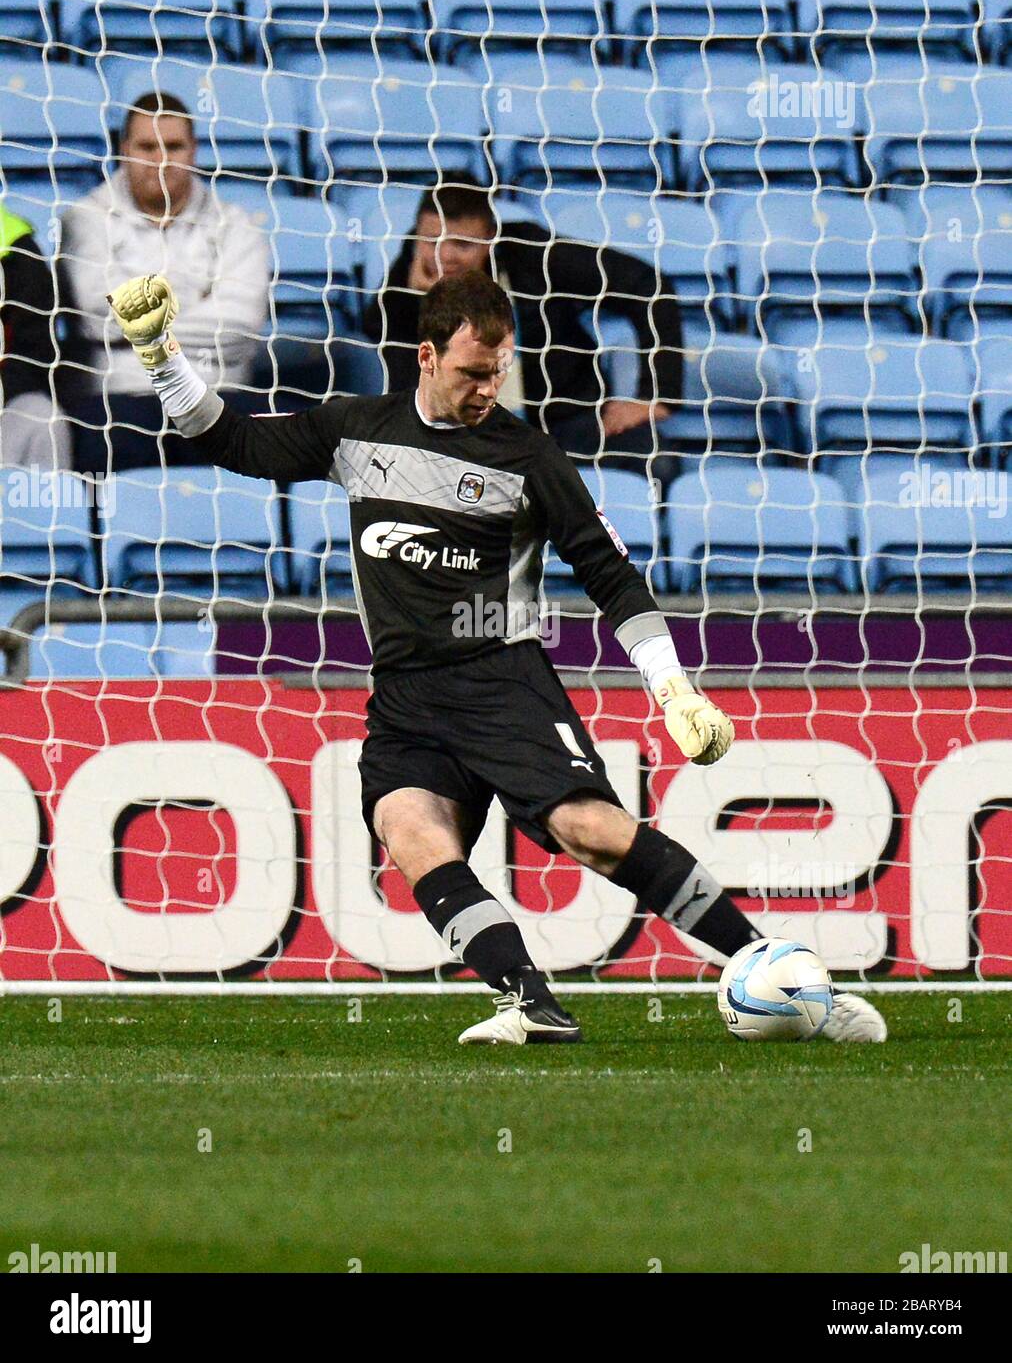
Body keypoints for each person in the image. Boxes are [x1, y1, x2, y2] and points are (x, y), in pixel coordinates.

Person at [106, 268, 887, 1046]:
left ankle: (778, 970)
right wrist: (159, 356)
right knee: (407, 827)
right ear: (425, 356)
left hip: (505, 684)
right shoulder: (357, 430)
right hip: (407, 696)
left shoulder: (528, 457)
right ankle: (531, 1003)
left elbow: (610, 575)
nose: (487, 388)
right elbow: (231, 440)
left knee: (592, 831)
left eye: (497, 371)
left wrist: (673, 689)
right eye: (472, 372)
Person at [363, 176, 683, 462]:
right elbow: (377, 335)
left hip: (560, 424)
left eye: (462, 244)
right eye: (431, 240)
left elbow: (648, 287)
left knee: (652, 455)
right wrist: (420, 299)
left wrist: (656, 395)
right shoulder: (409, 274)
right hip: (461, 436)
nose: (443, 256)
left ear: (490, 236)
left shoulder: (530, 252)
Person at [59, 92, 268, 472]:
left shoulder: (238, 225)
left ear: (194, 151)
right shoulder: (86, 219)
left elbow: (239, 328)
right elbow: (95, 318)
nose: (160, 161)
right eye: (147, 147)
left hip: (217, 396)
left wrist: (144, 320)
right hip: (119, 397)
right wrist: (200, 308)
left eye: (173, 146)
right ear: (124, 149)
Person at [0, 200, 72, 468]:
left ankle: (38, 511)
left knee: (43, 419)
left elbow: (35, 357)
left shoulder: (16, 249)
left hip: (5, 407)